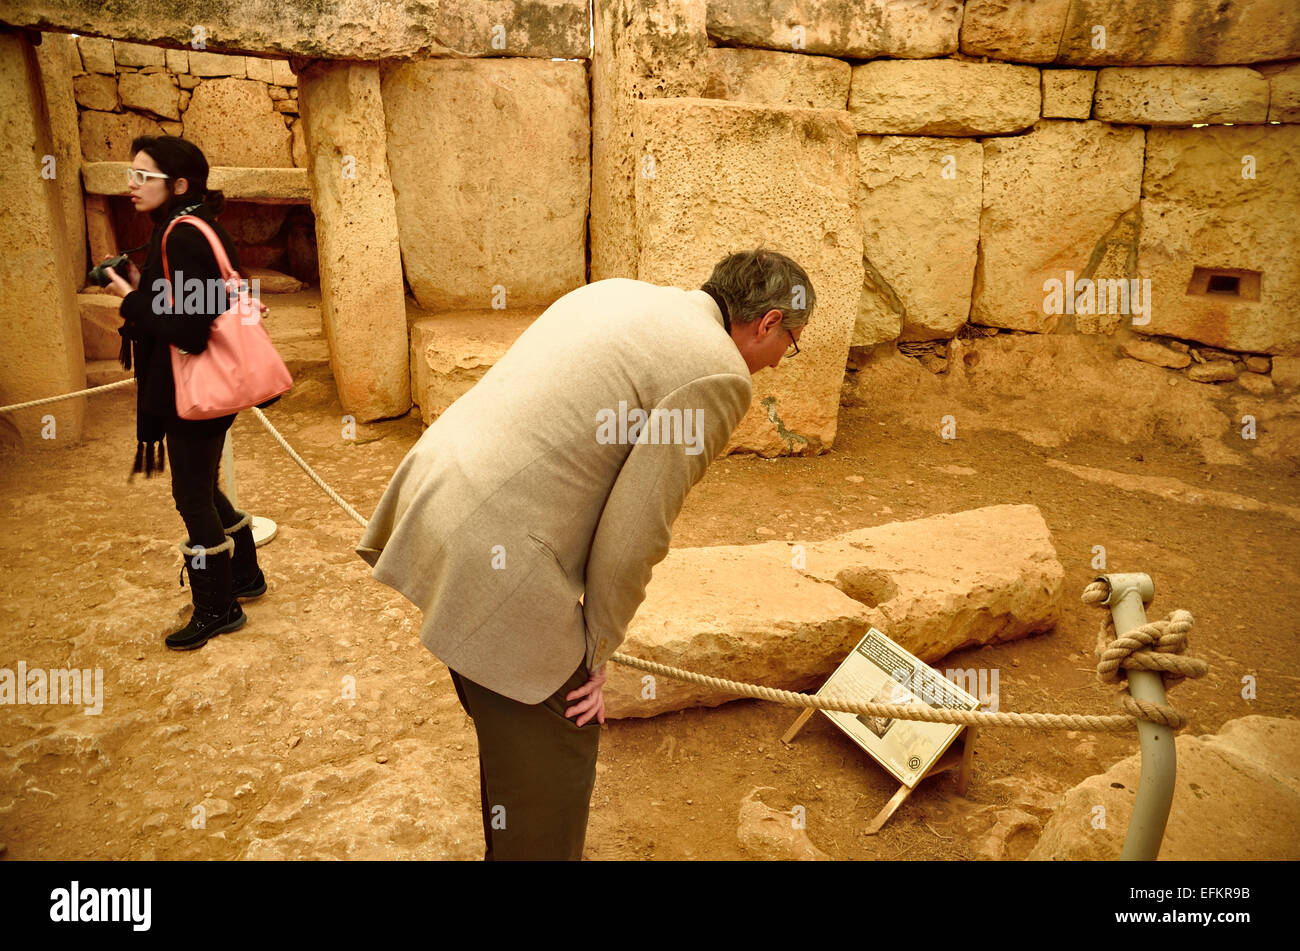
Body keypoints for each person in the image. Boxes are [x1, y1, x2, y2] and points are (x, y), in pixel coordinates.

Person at [356, 248, 815, 860]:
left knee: (505, 718)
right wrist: (596, 652)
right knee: (560, 733)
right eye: (794, 342)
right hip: (500, 545)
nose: (784, 359)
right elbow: (634, 535)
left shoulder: (619, 293)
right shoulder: (716, 374)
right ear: (769, 323)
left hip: (436, 493)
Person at [102, 135, 267, 651]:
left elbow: (192, 330)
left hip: (194, 386)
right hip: (211, 384)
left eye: (142, 177)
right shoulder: (195, 226)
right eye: (131, 174)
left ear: (177, 185)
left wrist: (129, 299)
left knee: (190, 494)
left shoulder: (182, 235)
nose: (131, 185)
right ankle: (244, 576)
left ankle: (217, 607)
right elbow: (191, 301)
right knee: (201, 483)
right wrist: (142, 283)